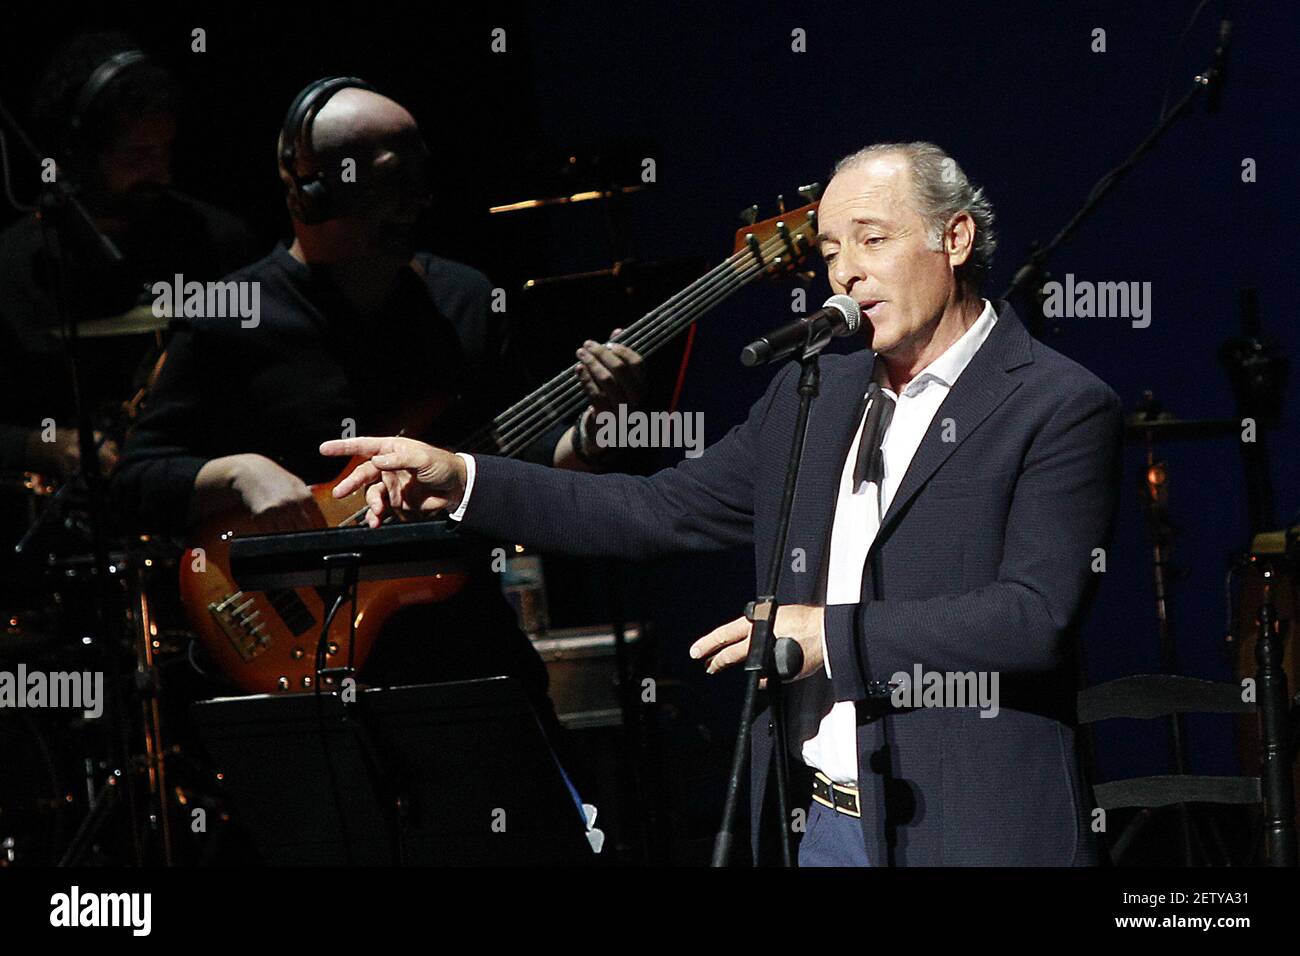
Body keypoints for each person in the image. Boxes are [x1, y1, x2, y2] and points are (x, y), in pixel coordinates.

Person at [321, 142, 1125, 866]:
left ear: (952, 240)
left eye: (873, 240)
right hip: (824, 825)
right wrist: (463, 477)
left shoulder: (1055, 405)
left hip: (977, 831)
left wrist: (827, 635)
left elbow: (1033, 618)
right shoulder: (813, 394)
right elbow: (652, 509)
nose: (844, 272)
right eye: (830, 250)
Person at [113, 78, 645, 725]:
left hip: (461, 642)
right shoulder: (233, 316)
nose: (419, 198)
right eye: (394, 178)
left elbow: (513, 457)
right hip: (304, 669)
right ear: (313, 188)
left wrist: (596, 433)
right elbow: (131, 482)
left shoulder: (462, 299)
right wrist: (236, 472)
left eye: (421, 175)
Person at [0, 32, 257, 489]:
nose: (162, 173)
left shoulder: (216, 240)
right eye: (138, 156)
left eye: (165, 151)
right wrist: (38, 445)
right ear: (79, 155)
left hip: (193, 498)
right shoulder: (13, 267)